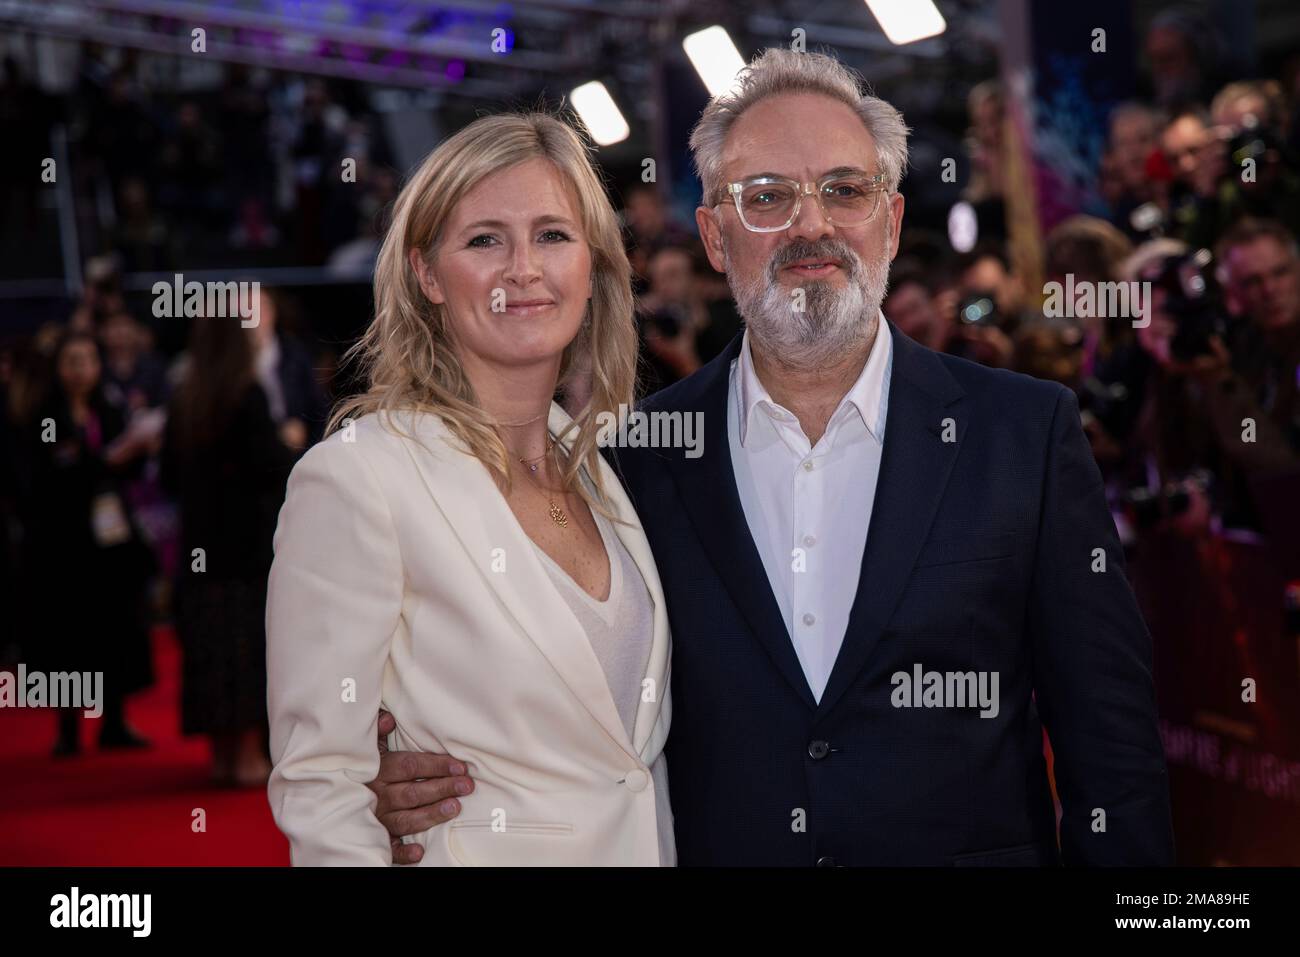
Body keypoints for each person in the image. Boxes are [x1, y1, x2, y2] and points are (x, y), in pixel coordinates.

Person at [371, 49, 1174, 867]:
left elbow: (1108, 732)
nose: (812, 225)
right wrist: (413, 768)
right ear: (716, 237)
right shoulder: (630, 460)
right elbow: (563, 698)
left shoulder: (1024, 433)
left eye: (844, 190)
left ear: (891, 222)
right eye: (767, 198)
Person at [265, 112, 674, 866]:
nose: (524, 269)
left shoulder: (607, 476)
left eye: (553, 235)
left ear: (593, 264)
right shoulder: (358, 480)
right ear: (426, 274)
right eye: (485, 239)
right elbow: (321, 784)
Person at [161, 308, 298, 788]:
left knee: (210, 647)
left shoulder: (185, 396)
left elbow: (166, 476)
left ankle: (224, 755)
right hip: (244, 549)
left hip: (199, 547)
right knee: (245, 648)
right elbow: (271, 467)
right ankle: (246, 759)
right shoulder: (247, 394)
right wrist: (289, 442)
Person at [19, 331, 155, 756]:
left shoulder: (111, 409)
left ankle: (114, 719)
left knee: (113, 626)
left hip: (110, 543)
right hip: (60, 544)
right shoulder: (44, 416)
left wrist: (130, 454)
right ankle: (68, 727)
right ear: (59, 368)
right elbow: (44, 474)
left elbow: (131, 470)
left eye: (88, 360)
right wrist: (101, 462)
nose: (81, 370)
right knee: (65, 631)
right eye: (72, 360)